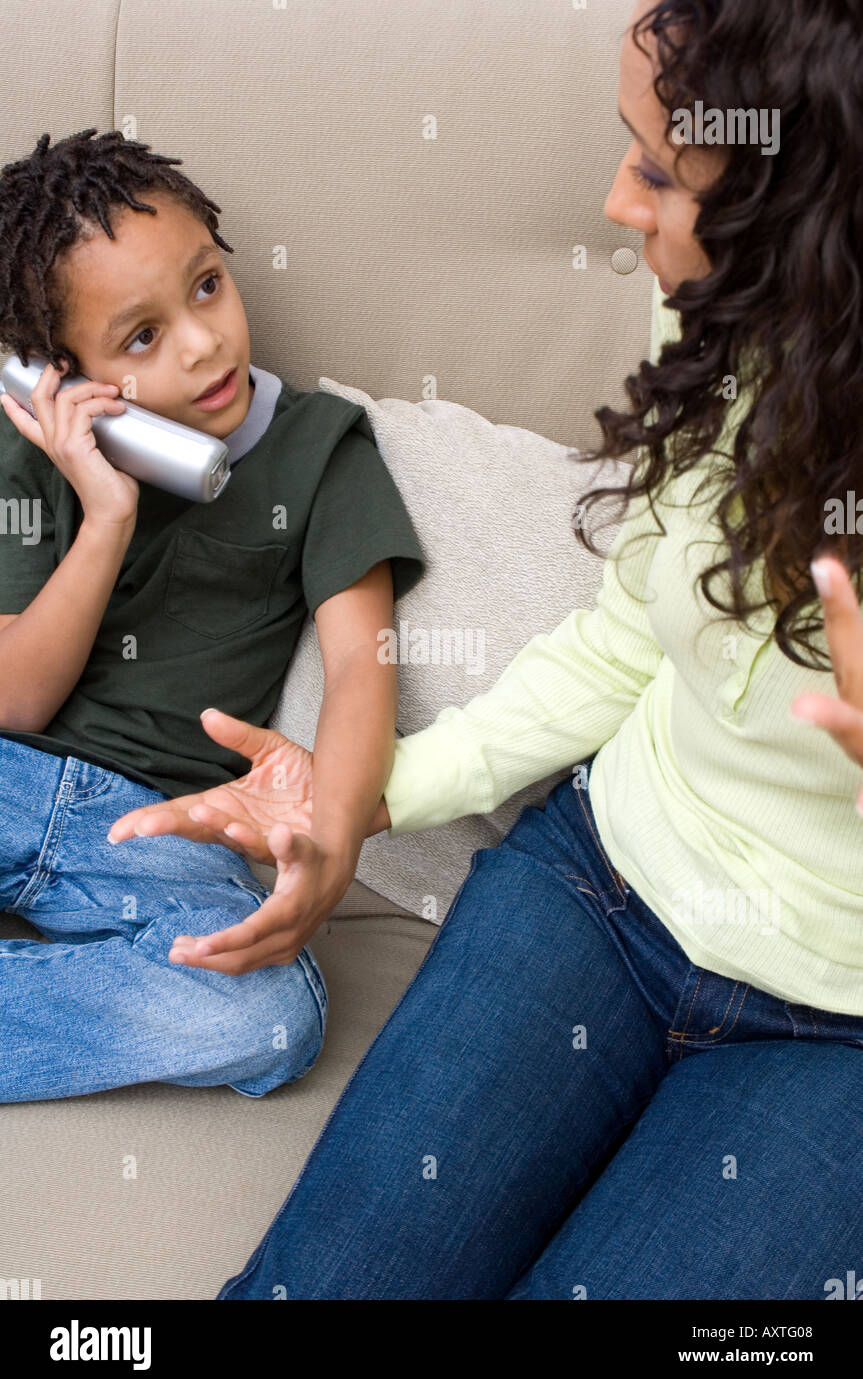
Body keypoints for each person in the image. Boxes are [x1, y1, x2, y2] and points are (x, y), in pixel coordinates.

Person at [108, 0, 863, 1299]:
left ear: (796, 200)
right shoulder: (720, 317)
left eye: (657, 171)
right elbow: (626, 630)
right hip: (598, 882)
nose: (614, 204)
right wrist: (364, 793)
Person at [0, 128, 425, 1103]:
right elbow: (17, 699)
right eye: (140, 336)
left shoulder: (321, 448)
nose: (202, 343)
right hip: (13, 772)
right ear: (60, 374)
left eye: (204, 287)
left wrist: (332, 836)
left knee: (273, 1015)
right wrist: (104, 513)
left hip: (170, 837)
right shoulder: (31, 452)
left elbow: (363, 669)